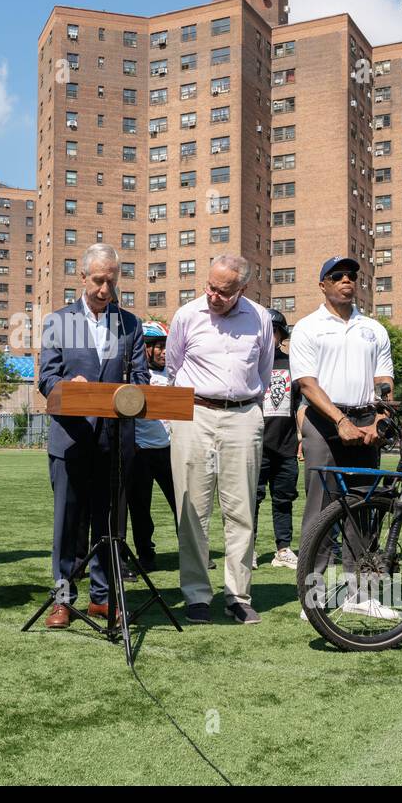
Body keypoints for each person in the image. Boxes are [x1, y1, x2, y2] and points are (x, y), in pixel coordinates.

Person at [37, 243, 148, 629]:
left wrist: (125, 392)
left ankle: (103, 599)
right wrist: (69, 385)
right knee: (68, 525)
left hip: (115, 444)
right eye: (98, 280)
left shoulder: (130, 323)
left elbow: (141, 379)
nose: (105, 289)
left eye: (112, 281)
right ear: (82, 278)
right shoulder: (58, 321)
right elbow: (45, 378)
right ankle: (63, 600)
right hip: (71, 439)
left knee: (110, 526)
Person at [165, 255, 272, 625]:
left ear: (242, 289)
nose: (213, 295)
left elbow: (263, 371)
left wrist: (250, 409)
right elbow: (173, 368)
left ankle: (238, 596)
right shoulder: (185, 316)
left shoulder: (260, 318)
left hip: (243, 415)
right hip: (193, 413)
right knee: (192, 509)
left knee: (241, 510)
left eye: (223, 292)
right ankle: (196, 594)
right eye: (209, 286)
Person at [289, 255, 396, 620]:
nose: (346, 280)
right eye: (337, 276)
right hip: (323, 422)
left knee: (363, 507)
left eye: (352, 275)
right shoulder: (307, 327)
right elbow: (307, 383)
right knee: (320, 509)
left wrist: (381, 416)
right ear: (323, 285)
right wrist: (339, 421)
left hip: (365, 419)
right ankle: (312, 596)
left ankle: (361, 594)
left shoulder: (373, 329)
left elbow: (384, 379)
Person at [126, 320, 176, 573]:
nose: (164, 351)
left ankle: (191, 551)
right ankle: (146, 554)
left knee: (182, 504)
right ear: (144, 348)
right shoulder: (134, 378)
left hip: (169, 449)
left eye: (166, 346)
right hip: (140, 451)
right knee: (140, 508)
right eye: (158, 346)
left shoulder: (174, 374)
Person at [255, 309, 300, 570]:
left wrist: (301, 437)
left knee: (283, 499)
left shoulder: (292, 365)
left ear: (282, 334)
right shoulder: (251, 363)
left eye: (274, 330)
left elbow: (300, 404)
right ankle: (248, 549)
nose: (269, 335)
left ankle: (283, 549)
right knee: (252, 499)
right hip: (256, 446)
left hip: (286, 446)